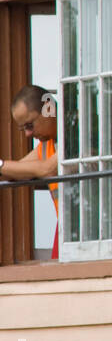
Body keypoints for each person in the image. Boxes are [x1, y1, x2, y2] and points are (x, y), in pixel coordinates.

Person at [2, 85, 60, 258]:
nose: (27, 134)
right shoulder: (46, 146)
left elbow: (49, 169)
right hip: (67, 228)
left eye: (29, 125)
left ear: (48, 108)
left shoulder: (75, 133)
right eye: (23, 128)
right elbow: (13, 171)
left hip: (95, 228)